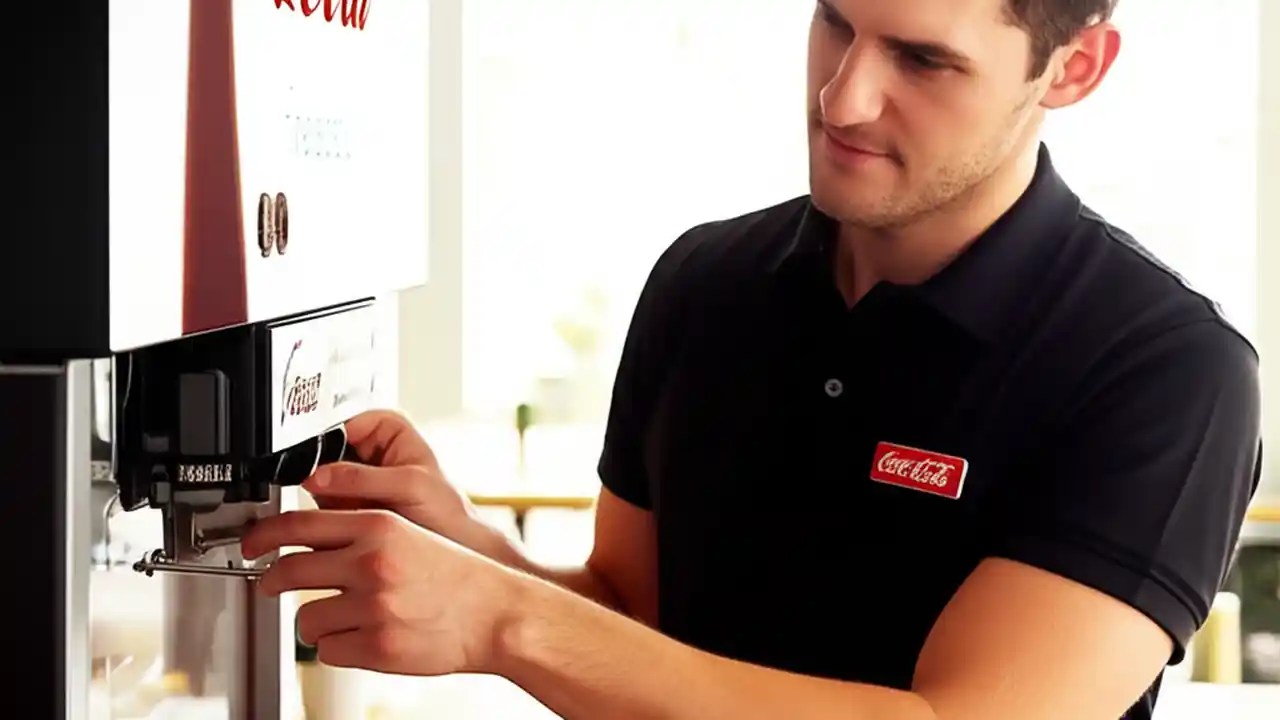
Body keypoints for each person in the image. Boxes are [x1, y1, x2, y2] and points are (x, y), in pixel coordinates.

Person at [241, 1, 1264, 717]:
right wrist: (470, 549)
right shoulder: (705, 281)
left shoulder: (1163, 370)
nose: (843, 96)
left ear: (1072, 68)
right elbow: (637, 627)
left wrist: (505, 620)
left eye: (920, 59)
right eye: (831, 21)